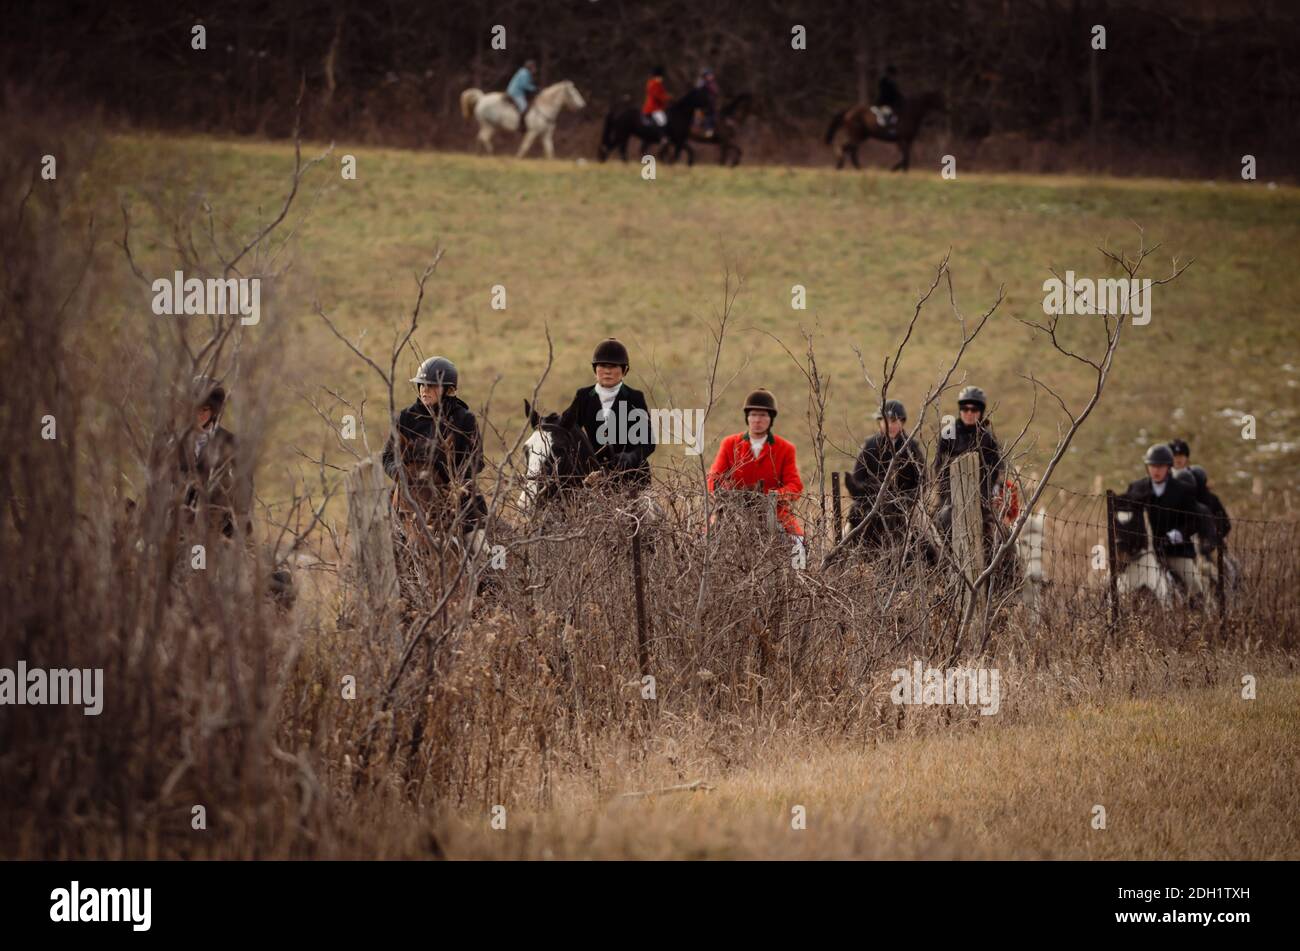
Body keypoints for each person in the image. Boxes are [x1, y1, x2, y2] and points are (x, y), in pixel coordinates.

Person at [383, 356, 487, 552]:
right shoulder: (405, 418)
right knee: (379, 542)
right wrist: (400, 473)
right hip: (409, 496)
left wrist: (450, 479)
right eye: (421, 384)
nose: (424, 390)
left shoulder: (465, 419)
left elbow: (477, 461)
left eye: (431, 386)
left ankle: (490, 580)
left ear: (449, 390)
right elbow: (388, 456)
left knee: (479, 547)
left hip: (455, 497)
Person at [707, 389, 805, 547]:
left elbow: (795, 486)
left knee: (799, 545)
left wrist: (773, 496)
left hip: (775, 513)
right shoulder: (729, 443)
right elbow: (714, 478)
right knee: (705, 542)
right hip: (733, 511)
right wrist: (729, 493)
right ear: (747, 417)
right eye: (753, 414)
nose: (757, 420)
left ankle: (800, 570)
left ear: (771, 419)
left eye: (763, 415)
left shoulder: (786, 448)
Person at [561, 338, 654, 490]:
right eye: (603, 365)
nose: (608, 371)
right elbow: (567, 428)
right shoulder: (583, 396)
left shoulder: (634, 397)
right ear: (595, 369)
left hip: (632, 478)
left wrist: (631, 457)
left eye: (614, 366)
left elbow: (648, 441)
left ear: (624, 370)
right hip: (593, 479)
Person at [1119, 443, 1204, 596]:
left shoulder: (1182, 490)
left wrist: (1175, 535)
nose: (1156, 470)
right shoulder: (1136, 488)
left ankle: (1201, 615)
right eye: (1153, 466)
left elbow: (1194, 521)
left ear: (1169, 467)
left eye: (1160, 466)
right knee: (1114, 583)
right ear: (1147, 467)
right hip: (1141, 551)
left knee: (1194, 584)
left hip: (1175, 551)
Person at [845, 398, 926, 551]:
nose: (890, 425)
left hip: (907, 503)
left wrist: (907, 499)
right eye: (885, 420)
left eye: (894, 420)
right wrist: (871, 493)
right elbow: (858, 479)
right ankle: (841, 558)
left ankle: (941, 563)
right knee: (850, 525)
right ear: (880, 422)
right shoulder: (869, 445)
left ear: (902, 422)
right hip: (872, 501)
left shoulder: (912, 447)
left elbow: (923, 481)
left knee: (926, 529)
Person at [178, 377, 251, 541]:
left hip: (218, 528)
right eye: (194, 409)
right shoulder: (174, 441)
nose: (199, 415)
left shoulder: (232, 444)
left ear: (213, 412)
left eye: (204, 410)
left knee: (199, 564)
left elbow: (245, 487)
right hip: (178, 528)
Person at [932, 385, 1005, 533]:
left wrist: (992, 495)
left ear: (981, 412)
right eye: (965, 409)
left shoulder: (988, 438)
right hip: (950, 499)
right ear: (960, 410)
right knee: (939, 530)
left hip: (982, 501)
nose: (969, 413)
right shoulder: (948, 434)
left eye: (974, 410)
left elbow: (996, 472)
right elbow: (939, 469)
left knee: (1000, 535)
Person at [871, 64, 904, 130]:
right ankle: (889, 129)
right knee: (888, 113)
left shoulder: (893, 83)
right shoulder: (883, 81)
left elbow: (897, 93)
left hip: (892, 103)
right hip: (883, 102)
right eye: (892, 74)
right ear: (889, 73)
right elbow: (885, 93)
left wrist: (901, 98)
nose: (893, 76)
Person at [695, 67, 720, 136]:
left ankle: (710, 131)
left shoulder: (713, 84)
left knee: (713, 117)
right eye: (708, 75)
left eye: (711, 75)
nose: (710, 77)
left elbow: (716, 92)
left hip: (711, 105)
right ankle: (704, 131)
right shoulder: (703, 83)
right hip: (704, 105)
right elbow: (698, 91)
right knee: (702, 116)